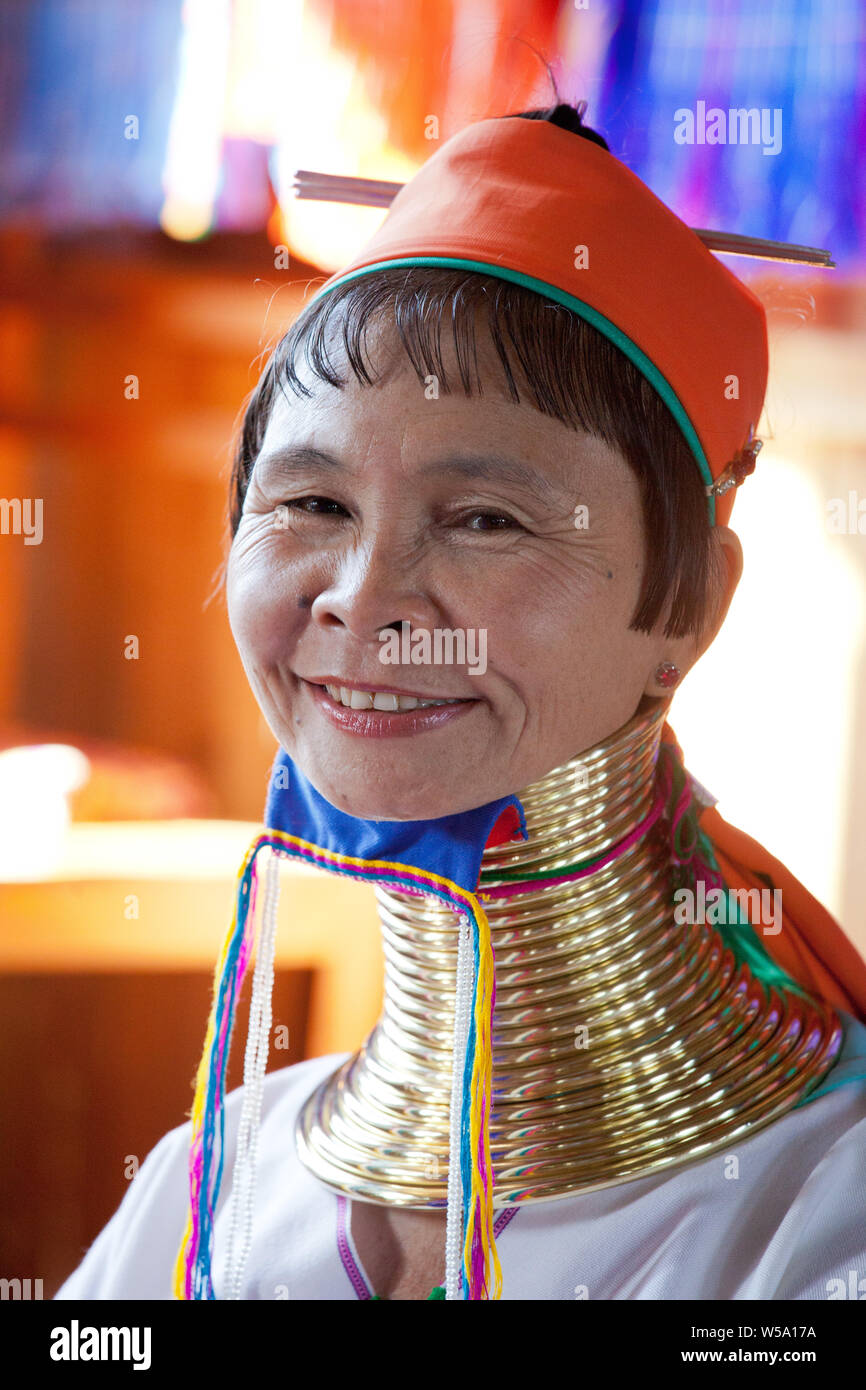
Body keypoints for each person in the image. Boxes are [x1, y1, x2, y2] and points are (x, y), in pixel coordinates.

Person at [56, 101, 866, 1302]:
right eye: (311, 506)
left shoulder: (817, 1216)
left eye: (485, 519)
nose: (362, 598)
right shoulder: (205, 1193)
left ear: (689, 606)